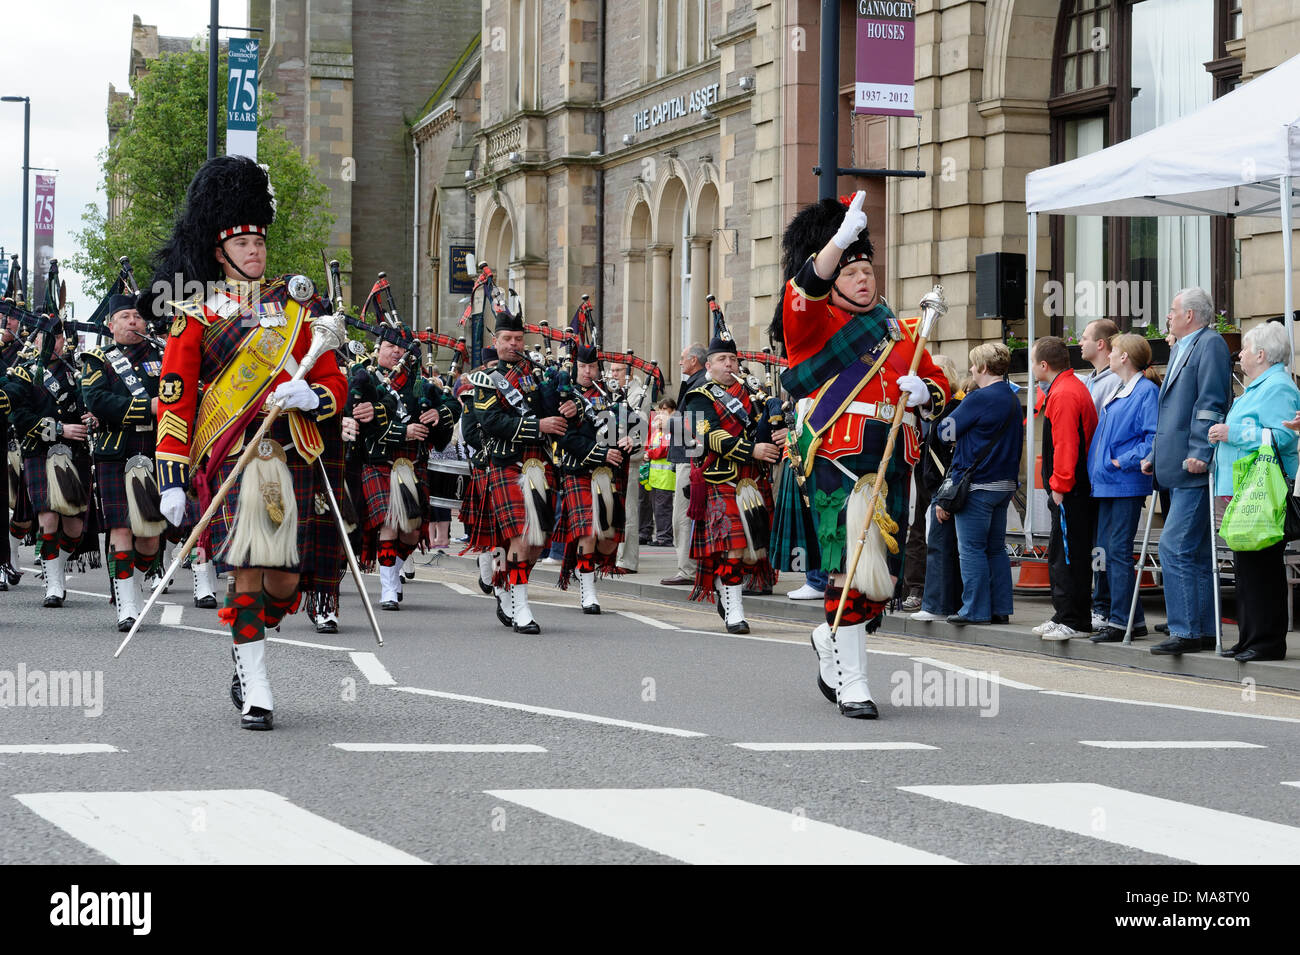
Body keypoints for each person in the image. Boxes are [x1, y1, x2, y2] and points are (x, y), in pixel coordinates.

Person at [148, 155, 348, 731]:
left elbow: (333, 379)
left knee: (284, 582)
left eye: (260, 240)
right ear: (220, 251)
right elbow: (175, 398)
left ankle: (249, 643)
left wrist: (313, 397)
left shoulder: (295, 308)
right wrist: (172, 480)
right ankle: (257, 679)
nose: (255, 251)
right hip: (236, 456)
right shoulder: (195, 315)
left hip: (294, 451)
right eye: (243, 242)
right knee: (248, 568)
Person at [772, 191, 949, 718]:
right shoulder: (814, 326)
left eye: (867, 269)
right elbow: (803, 289)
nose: (864, 278)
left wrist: (926, 393)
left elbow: (940, 385)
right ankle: (856, 684)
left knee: (881, 578)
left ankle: (829, 639)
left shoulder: (901, 332)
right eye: (851, 272)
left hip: (895, 458)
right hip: (838, 459)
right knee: (847, 568)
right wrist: (838, 241)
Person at [469, 310, 573, 633]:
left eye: (518, 339)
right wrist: (537, 425)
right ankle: (521, 607)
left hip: (539, 463)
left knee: (538, 541)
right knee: (521, 537)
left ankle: (508, 585)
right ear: (495, 342)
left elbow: (554, 412)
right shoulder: (485, 380)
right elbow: (491, 422)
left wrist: (568, 403)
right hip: (507, 463)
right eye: (507, 340)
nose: (513, 344)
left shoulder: (538, 375)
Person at [1141, 288, 1232, 655]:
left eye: (1173, 311)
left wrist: (1201, 450)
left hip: (1192, 465)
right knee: (1190, 550)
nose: (1168, 316)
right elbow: (1170, 411)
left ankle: (1187, 629)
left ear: (1190, 315)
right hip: (1174, 464)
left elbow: (1210, 403)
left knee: (1174, 545)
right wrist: (1154, 452)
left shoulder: (1209, 345)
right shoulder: (1183, 345)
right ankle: (1201, 627)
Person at [1208, 321, 1300, 661]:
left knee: (1260, 567)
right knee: (1246, 567)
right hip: (1244, 489)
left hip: (1261, 491)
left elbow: (1285, 437)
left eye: (1244, 349)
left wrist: (1232, 433)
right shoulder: (1261, 386)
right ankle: (1250, 637)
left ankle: (1266, 641)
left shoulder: (1277, 387)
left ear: (1261, 354)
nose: (1240, 355)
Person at [680, 336, 783, 634]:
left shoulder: (752, 394)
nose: (729, 364)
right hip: (721, 478)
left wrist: (777, 430)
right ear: (708, 365)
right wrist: (752, 450)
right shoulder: (699, 397)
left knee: (755, 550)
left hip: (753, 478)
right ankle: (735, 610)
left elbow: (765, 428)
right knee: (734, 548)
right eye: (722, 359)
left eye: (733, 359)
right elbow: (710, 435)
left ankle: (725, 589)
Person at [347, 324, 453, 610]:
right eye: (391, 346)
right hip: (379, 462)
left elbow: (452, 405)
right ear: (378, 348)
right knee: (389, 523)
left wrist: (438, 413)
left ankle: (393, 568)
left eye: (402, 348)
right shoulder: (365, 379)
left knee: (411, 531)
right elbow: (359, 422)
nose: (396, 352)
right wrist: (401, 433)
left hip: (413, 464)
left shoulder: (420, 384)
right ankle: (389, 589)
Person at [79, 294, 167, 631]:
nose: (133, 322)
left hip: (158, 448)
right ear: (111, 324)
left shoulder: (164, 354)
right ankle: (127, 606)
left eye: (138, 317)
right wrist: (151, 408)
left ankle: (138, 576)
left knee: (150, 536)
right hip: (115, 450)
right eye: (126, 317)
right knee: (121, 526)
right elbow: (97, 400)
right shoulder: (97, 358)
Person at [5, 315, 98, 608]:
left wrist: (92, 417)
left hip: (75, 454)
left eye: (55, 337)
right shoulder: (24, 374)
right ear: (36, 341)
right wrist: (58, 429)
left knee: (73, 527)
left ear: (63, 342)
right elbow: (18, 417)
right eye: (44, 337)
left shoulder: (79, 373)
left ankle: (57, 561)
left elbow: (93, 405)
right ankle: (54, 584)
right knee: (47, 516)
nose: (50, 342)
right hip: (39, 452)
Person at [935, 343, 1021, 626]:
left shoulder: (979, 398)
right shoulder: (1010, 396)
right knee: (996, 549)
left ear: (983, 368)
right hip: (1004, 485)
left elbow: (945, 432)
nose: (971, 369)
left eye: (973, 364)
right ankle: (999, 608)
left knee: (970, 549)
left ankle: (974, 609)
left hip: (978, 484)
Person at [1086, 333, 1160, 642]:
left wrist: (1121, 462)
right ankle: (1133, 618)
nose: (1110, 354)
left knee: (1116, 550)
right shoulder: (1122, 388)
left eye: (1114, 350)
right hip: (1106, 483)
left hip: (1124, 482)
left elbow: (1152, 438)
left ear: (1125, 357)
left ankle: (1119, 620)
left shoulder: (1145, 391)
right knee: (1104, 550)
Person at [554, 345, 634, 612]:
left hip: (610, 473)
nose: (588, 372)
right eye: (583, 367)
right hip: (579, 470)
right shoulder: (565, 395)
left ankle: (584, 567)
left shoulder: (611, 395)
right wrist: (600, 453)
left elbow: (632, 426)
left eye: (593, 367)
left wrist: (630, 440)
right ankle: (588, 591)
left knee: (609, 537)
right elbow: (565, 437)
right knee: (588, 530)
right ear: (575, 367)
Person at [1028, 335, 1098, 639]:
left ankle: (1074, 619)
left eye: (1032, 362)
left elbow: (1067, 444)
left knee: (1069, 555)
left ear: (1043, 365)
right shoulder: (1064, 389)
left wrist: (1060, 484)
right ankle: (1064, 614)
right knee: (1061, 552)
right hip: (1071, 487)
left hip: (1071, 489)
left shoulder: (1064, 393)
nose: (1030, 368)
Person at [900, 352, 961, 611]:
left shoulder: (955, 406)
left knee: (938, 536)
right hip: (918, 472)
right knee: (915, 529)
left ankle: (936, 592)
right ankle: (913, 586)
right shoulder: (914, 405)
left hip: (943, 478)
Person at [659, 343, 706, 585]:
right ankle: (689, 568)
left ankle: (687, 570)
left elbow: (695, 425)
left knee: (683, 516)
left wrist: (666, 422)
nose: (679, 362)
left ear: (694, 361)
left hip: (690, 459)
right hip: (689, 456)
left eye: (682, 358)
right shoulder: (696, 382)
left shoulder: (699, 384)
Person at [607, 359, 647, 573]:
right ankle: (614, 555)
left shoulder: (638, 393)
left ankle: (627, 561)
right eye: (612, 370)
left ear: (628, 372)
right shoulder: (616, 393)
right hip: (613, 457)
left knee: (629, 511)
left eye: (618, 370)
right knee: (616, 509)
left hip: (629, 459)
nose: (614, 374)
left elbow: (640, 425)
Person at [644, 397, 677, 546]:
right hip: (656, 477)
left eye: (664, 409)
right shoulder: (659, 429)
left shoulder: (670, 429)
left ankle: (665, 538)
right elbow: (650, 445)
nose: (661, 412)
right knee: (658, 509)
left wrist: (649, 454)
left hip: (666, 477)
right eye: (660, 409)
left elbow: (662, 450)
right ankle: (661, 536)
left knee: (663, 509)